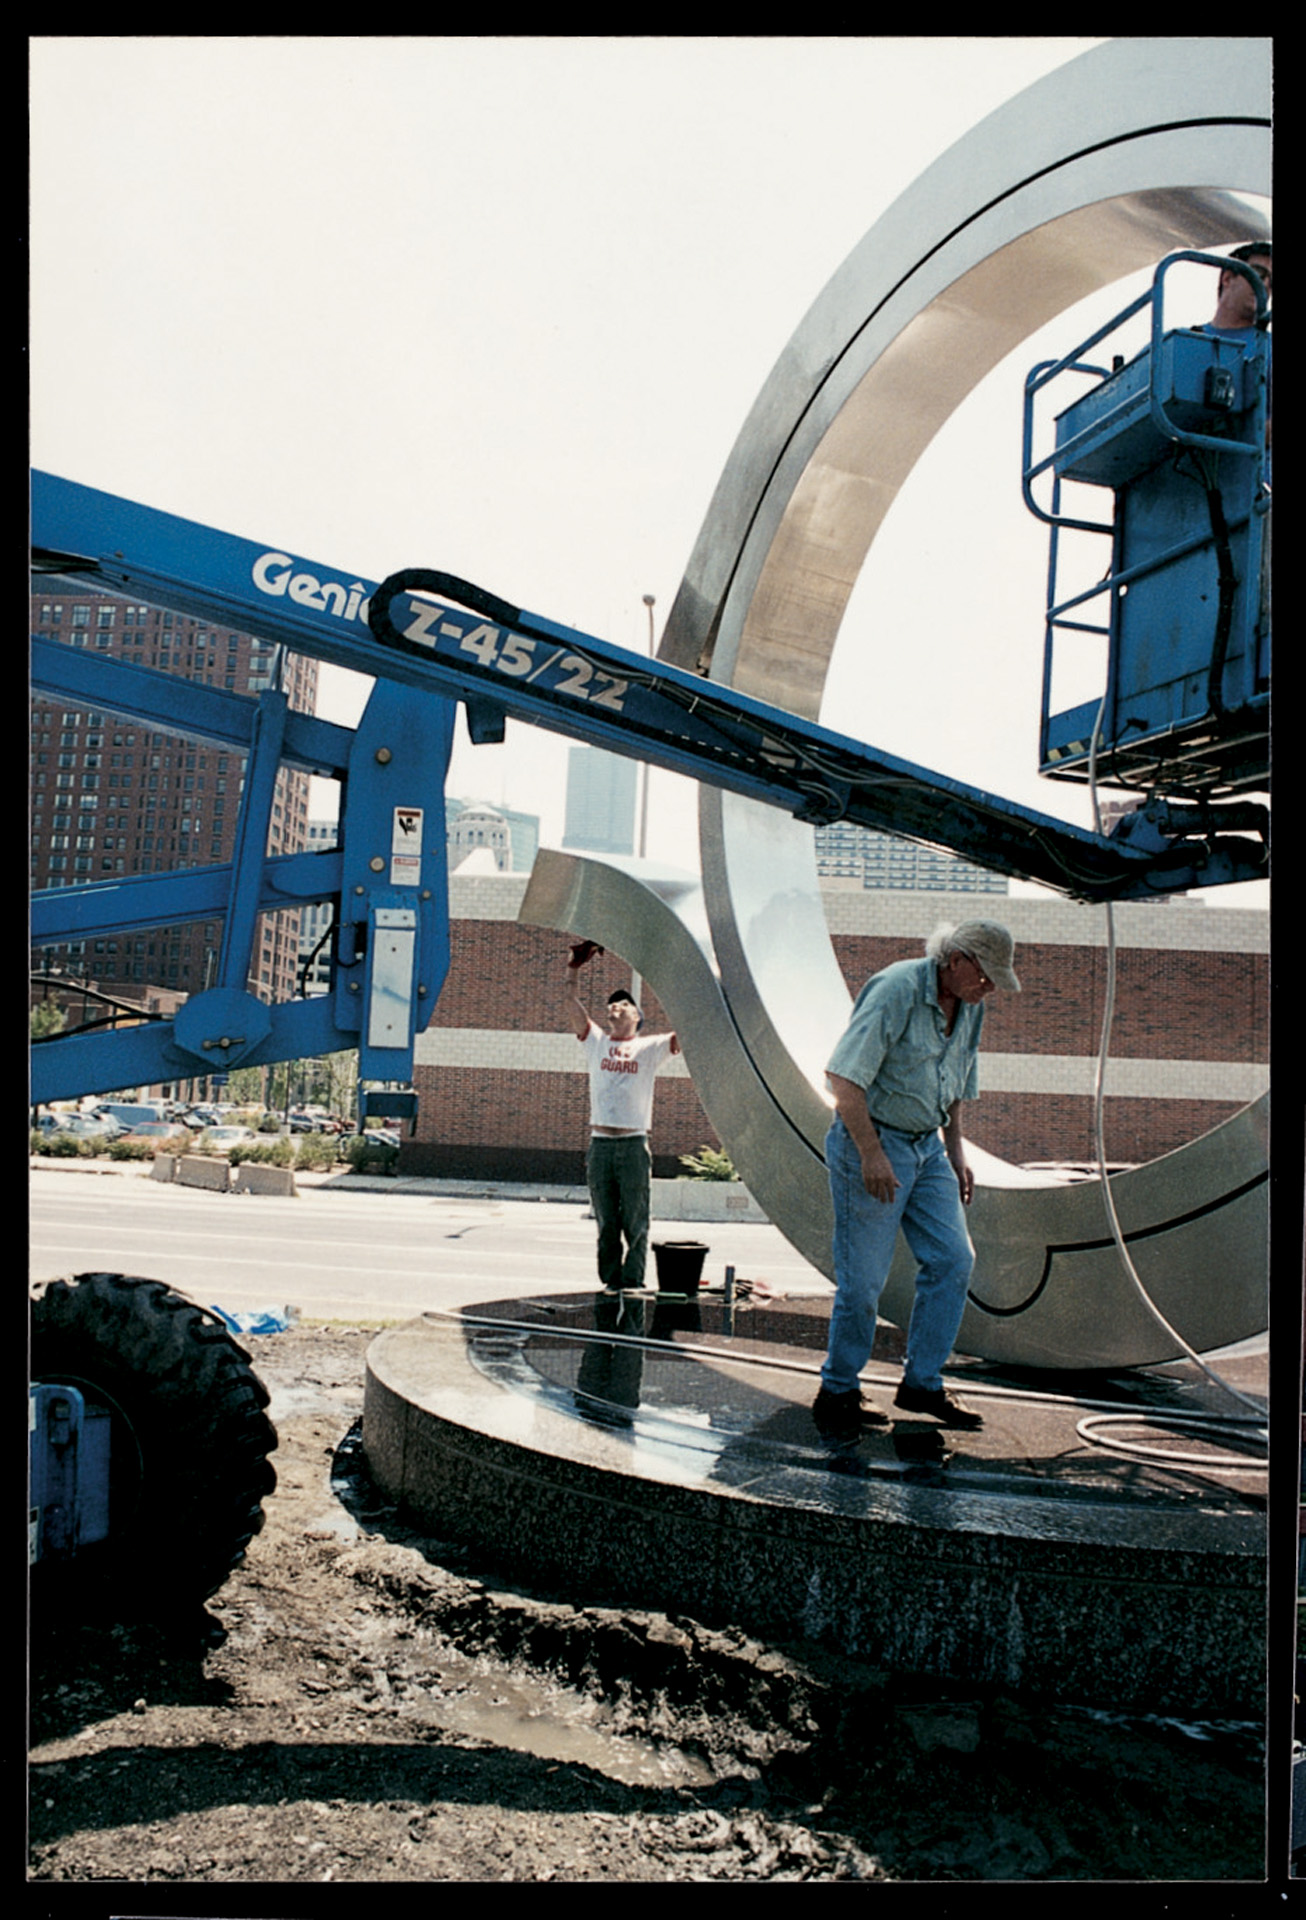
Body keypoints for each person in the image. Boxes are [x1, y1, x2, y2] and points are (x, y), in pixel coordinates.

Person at [812, 920, 1021, 1438]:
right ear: (958, 960)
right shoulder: (897, 988)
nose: (990, 987)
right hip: (873, 1140)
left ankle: (922, 1383)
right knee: (863, 1282)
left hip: (928, 1147)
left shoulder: (970, 1004)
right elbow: (842, 1078)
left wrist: (955, 1151)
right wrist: (870, 1152)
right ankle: (837, 1390)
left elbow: (956, 1081)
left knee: (953, 1260)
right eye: (986, 976)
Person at [564, 944, 680, 1291]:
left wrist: (676, 975)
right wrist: (573, 968)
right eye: (612, 1004)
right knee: (607, 1221)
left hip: (632, 1145)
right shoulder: (596, 1041)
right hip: (600, 1145)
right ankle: (610, 1285)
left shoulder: (650, 1047)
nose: (615, 1007)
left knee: (636, 1220)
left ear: (638, 1018)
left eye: (625, 1003)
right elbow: (571, 1004)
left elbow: (688, 1030)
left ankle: (632, 1284)